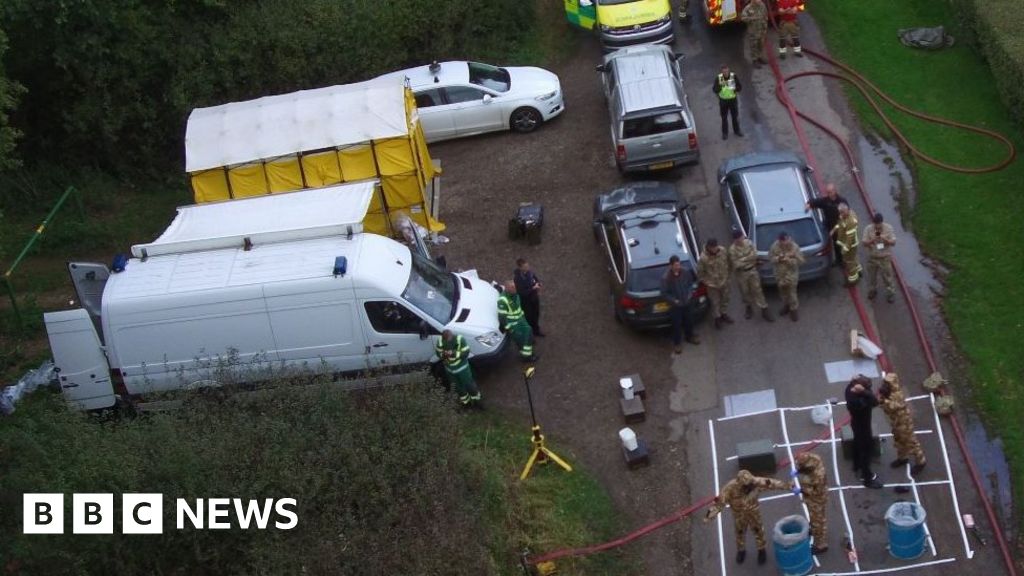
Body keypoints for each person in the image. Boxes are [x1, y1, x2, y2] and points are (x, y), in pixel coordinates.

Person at [705, 469, 792, 565]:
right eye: (746, 486)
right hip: (739, 515)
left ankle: (761, 549)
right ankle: (741, 550)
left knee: (758, 530)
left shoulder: (755, 482)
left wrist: (788, 486)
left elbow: (772, 483)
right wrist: (708, 517)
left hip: (753, 513)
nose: (749, 487)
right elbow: (719, 503)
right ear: (739, 483)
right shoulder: (729, 488)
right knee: (740, 533)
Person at [879, 373, 927, 475]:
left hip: (904, 422)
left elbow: (893, 407)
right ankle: (902, 458)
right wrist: (882, 400)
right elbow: (885, 408)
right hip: (896, 421)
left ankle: (921, 461)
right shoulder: (889, 393)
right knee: (899, 441)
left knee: (911, 443)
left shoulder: (898, 394)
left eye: (888, 383)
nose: (885, 385)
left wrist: (884, 400)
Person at [846, 375, 884, 489]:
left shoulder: (849, 390)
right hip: (863, 427)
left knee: (857, 444)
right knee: (866, 451)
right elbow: (875, 402)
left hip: (856, 424)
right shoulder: (858, 402)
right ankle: (867, 477)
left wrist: (858, 384)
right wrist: (865, 392)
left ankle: (856, 465)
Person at [728, 230, 774, 322]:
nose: (739, 241)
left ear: (742, 237)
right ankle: (748, 307)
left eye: (740, 238)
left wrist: (743, 259)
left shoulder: (749, 243)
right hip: (741, 273)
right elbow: (736, 264)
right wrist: (748, 259)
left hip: (752, 270)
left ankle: (764, 309)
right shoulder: (732, 250)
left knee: (757, 290)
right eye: (736, 239)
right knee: (745, 292)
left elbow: (754, 255)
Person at [661, 255, 700, 354]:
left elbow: (690, 285)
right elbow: (664, 293)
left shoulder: (685, 272)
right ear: (671, 265)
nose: (678, 267)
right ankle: (677, 343)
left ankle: (690, 336)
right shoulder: (666, 278)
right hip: (676, 306)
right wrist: (674, 301)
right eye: (675, 265)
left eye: (679, 264)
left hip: (687, 302)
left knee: (689, 320)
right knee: (677, 325)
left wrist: (689, 294)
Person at [794, 452, 829, 554]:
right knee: (813, 517)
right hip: (811, 499)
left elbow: (817, 491)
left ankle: (821, 545)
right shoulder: (812, 458)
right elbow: (807, 469)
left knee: (818, 521)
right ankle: (814, 529)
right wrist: (799, 471)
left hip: (817, 499)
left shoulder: (819, 475)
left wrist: (801, 490)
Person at [435, 330, 481, 407]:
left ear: (451, 336)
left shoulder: (460, 339)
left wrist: (453, 353)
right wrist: (444, 354)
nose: (446, 341)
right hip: (450, 370)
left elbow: (466, 353)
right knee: (458, 388)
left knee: (470, 386)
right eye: (445, 339)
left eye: (448, 339)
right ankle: (466, 403)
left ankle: (477, 402)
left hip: (462, 369)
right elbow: (438, 354)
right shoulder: (440, 341)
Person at [805, 182, 847, 267]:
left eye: (830, 192)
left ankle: (840, 260)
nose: (829, 194)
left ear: (835, 191)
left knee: (838, 245)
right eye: (828, 192)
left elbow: (847, 214)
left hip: (839, 227)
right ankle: (833, 259)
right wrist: (809, 204)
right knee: (827, 244)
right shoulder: (825, 201)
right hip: (828, 225)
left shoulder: (842, 201)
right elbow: (816, 202)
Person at [697, 238, 733, 329]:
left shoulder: (723, 251)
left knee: (725, 298)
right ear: (708, 247)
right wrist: (708, 282)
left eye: (716, 246)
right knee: (715, 302)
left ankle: (723, 313)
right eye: (712, 247)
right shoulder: (703, 258)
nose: (715, 249)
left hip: (724, 281)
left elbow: (729, 262)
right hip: (712, 285)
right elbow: (700, 273)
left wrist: (728, 275)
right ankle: (717, 318)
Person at [498, 281, 538, 362]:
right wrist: (509, 328)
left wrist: (523, 318)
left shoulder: (515, 295)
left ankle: (527, 353)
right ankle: (527, 357)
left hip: (521, 321)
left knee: (528, 335)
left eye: (515, 287)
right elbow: (502, 317)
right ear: (507, 289)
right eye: (513, 288)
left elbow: (518, 308)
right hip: (514, 325)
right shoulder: (503, 300)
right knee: (522, 340)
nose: (515, 289)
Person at [769, 232, 805, 321]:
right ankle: (786, 306)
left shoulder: (794, 247)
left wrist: (789, 260)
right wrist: (779, 258)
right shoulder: (774, 246)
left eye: (786, 240)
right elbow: (770, 258)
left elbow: (801, 261)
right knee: (783, 292)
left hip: (791, 274)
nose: (784, 242)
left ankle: (793, 310)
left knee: (792, 293)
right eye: (782, 241)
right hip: (779, 274)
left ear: (789, 238)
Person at [863, 213, 896, 302]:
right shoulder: (868, 229)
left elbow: (893, 242)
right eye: (875, 225)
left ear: (882, 222)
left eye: (879, 226)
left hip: (884, 258)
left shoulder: (888, 228)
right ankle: (873, 290)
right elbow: (864, 243)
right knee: (872, 276)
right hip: (873, 257)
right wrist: (872, 240)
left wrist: (883, 238)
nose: (877, 227)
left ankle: (890, 293)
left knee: (887, 277)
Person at [832, 203, 862, 286]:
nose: (841, 214)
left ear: (847, 210)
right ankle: (859, 270)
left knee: (849, 262)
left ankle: (853, 279)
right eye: (840, 212)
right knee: (853, 257)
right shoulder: (845, 216)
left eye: (842, 212)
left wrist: (844, 250)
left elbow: (850, 238)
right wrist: (834, 229)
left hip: (850, 245)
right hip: (848, 243)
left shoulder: (850, 222)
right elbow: (841, 224)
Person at [514, 258, 545, 336]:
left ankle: (536, 331)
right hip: (526, 302)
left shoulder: (529, 272)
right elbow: (521, 292)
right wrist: (533, 288)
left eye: (527, 266)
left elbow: (535, 278)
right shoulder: (518, 279)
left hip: (534, 298)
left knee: (536, 315)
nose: (527, 268)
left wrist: (538, 284)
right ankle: (530, 335)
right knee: (529, 318)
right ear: (520, 268)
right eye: (525, 267)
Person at [713, 65, 743, 140]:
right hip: (723, 101)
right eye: (724, 72)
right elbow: (714, 89)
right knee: (724, 118)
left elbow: (740, 87)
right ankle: (725, 133)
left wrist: (735, 89)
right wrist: (720, 87)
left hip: (733, 100)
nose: (726, 73)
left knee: (735, 117)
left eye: (727, 71)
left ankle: (737, 131)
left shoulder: (733, 76)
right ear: (722, 72)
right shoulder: (719, 78)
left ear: (729, 71)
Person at [740, 0, 769, 67]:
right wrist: (751, 19)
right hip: (753, 31)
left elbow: (765, 15)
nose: (759, 0)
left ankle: (760, 57)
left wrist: (765, 26)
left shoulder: (762, 5)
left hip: (761, 30)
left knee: (761, 44)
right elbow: (743, 18)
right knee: (754, 46)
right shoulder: (748, 8)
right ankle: (754, 60)